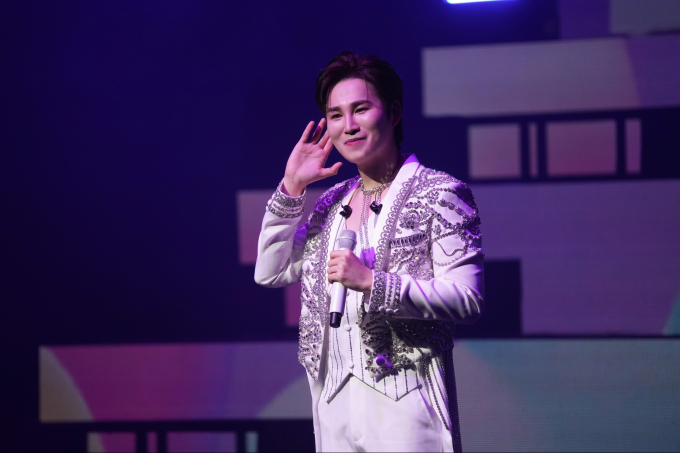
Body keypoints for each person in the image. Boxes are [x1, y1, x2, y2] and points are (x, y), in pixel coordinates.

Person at [255, 51, 484, 452]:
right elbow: (270, 271)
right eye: (336, 115)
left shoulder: (440, 193)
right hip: (334, 404)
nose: (349, 125)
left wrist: (372, 282)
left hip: (407, 402)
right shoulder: (331, 203)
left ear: (393, 113)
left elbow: (467, 299)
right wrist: (292, 186)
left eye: (360, 109)